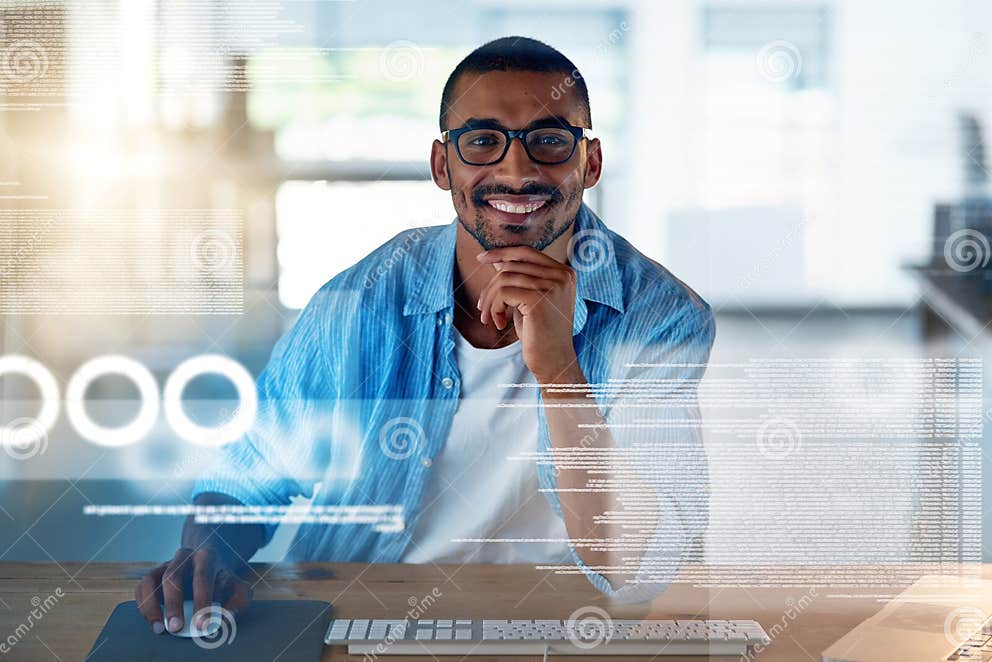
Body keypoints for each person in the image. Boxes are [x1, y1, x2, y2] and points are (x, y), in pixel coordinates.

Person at [136, 35, 715, 635]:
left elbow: (632, 562)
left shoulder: (663, 317)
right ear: (444, 165)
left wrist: (559, 371)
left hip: (560, 630)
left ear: (589, 163)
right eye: (483, 141)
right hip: (360, 620)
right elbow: (250, 476)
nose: (516, 172)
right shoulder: (357, 303)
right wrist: (207, 557)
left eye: (548, 141)